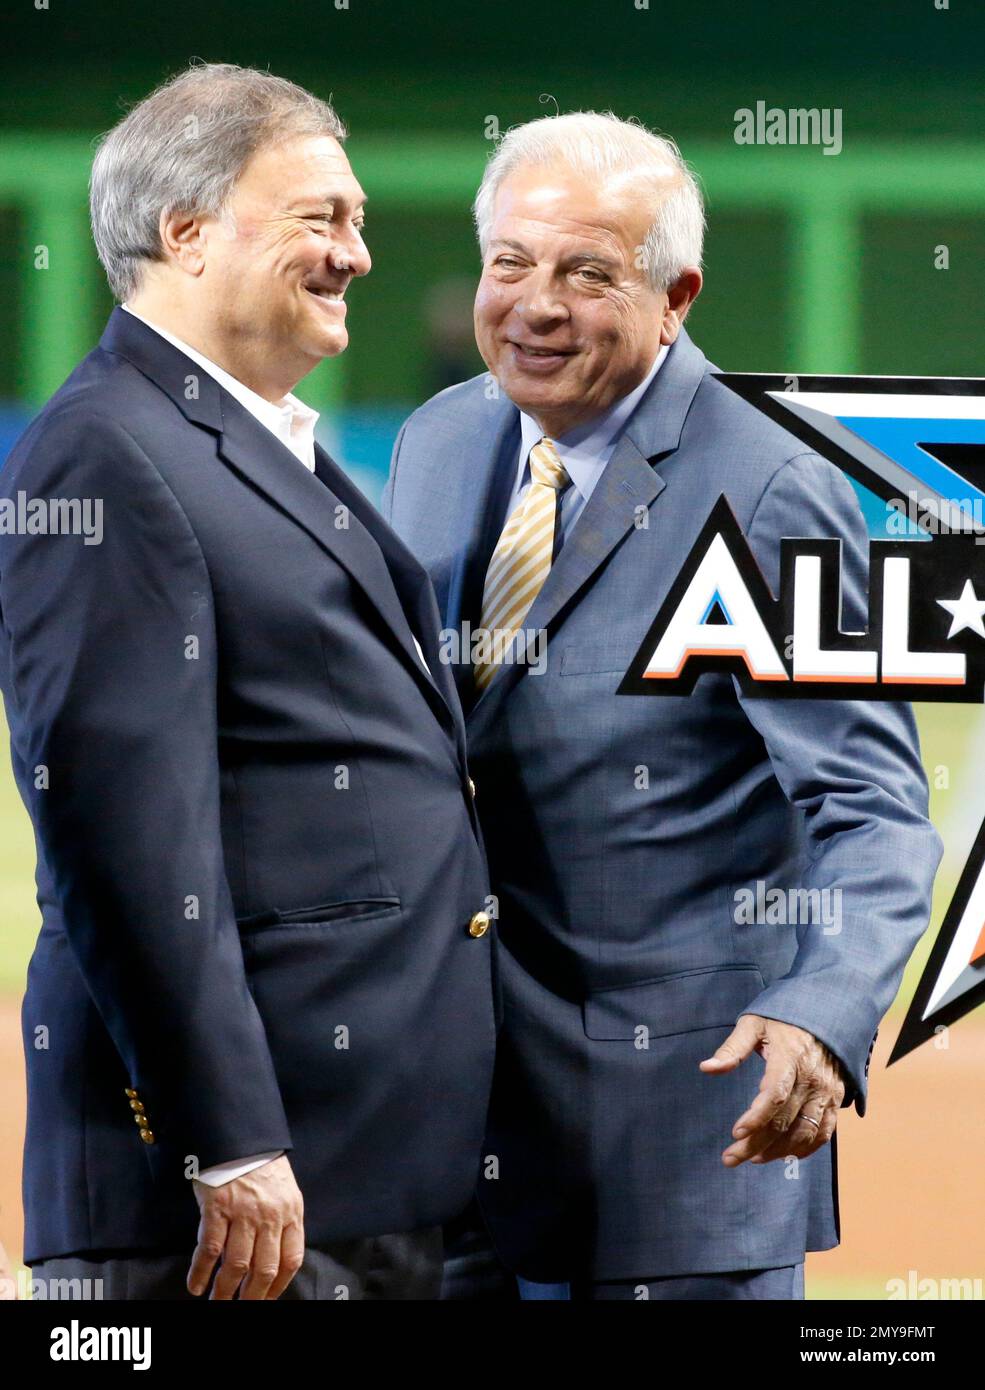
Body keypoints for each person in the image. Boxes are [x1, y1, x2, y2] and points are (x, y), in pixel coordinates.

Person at [384, 110, 942, 1300]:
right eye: (510, 263)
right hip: (452, 1134)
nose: (535, 304)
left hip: (679, 1151)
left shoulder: (771, 485)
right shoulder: (438, 442)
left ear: (675, 293)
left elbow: (877, 809)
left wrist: (816, 1014)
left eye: (588, 273)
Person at [0, 62, 496, 1301]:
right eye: (322, 217)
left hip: (342, 1172)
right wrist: (224, 1133)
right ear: (187, 232)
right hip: (225, 1202)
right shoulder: (107, 451)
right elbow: (122, 837)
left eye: (361, 220)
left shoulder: (246, 437)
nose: (357, 253)